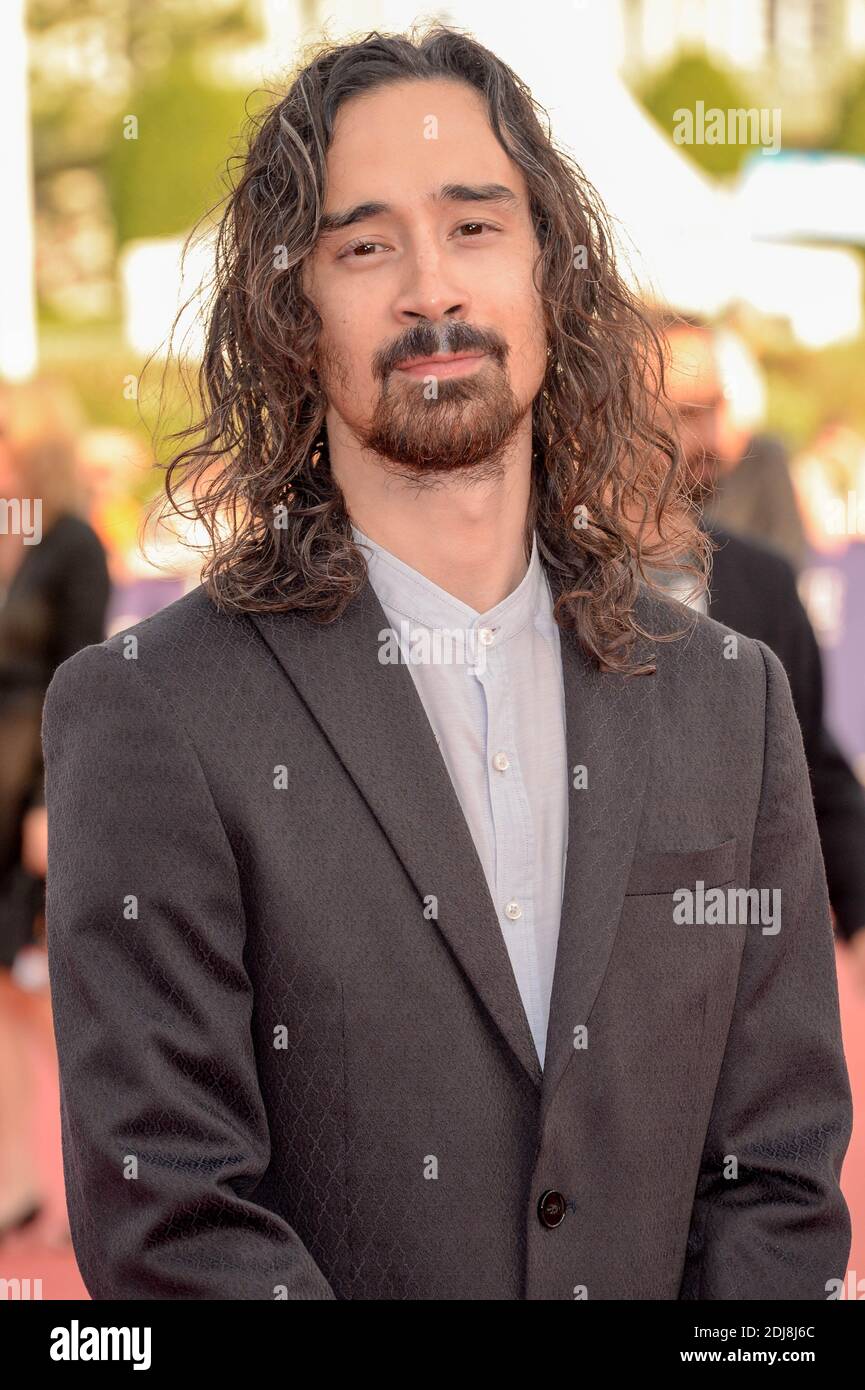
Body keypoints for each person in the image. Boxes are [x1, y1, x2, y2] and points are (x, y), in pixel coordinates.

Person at [43, 25, 851, 1300]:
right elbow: (171, 1217)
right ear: (290, 315)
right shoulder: (150, 712)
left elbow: (780, 1180)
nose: (432, 288)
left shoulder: (725, 698)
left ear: (548, 273)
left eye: (475, 227)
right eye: (364, 245)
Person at [658, 318, 865, 988]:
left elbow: (815, 769)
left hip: (738, 985)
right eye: (686, 414)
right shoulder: (542, 582)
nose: (712, 438)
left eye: (716, 409)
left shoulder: (761, 582)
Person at [0, 377, 110, 1239]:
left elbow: (77, 677)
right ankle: (16, 1186)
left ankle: (103, 1183)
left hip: (30, 791)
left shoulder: (68, 542)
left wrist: (50, 802)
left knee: (51, 996)